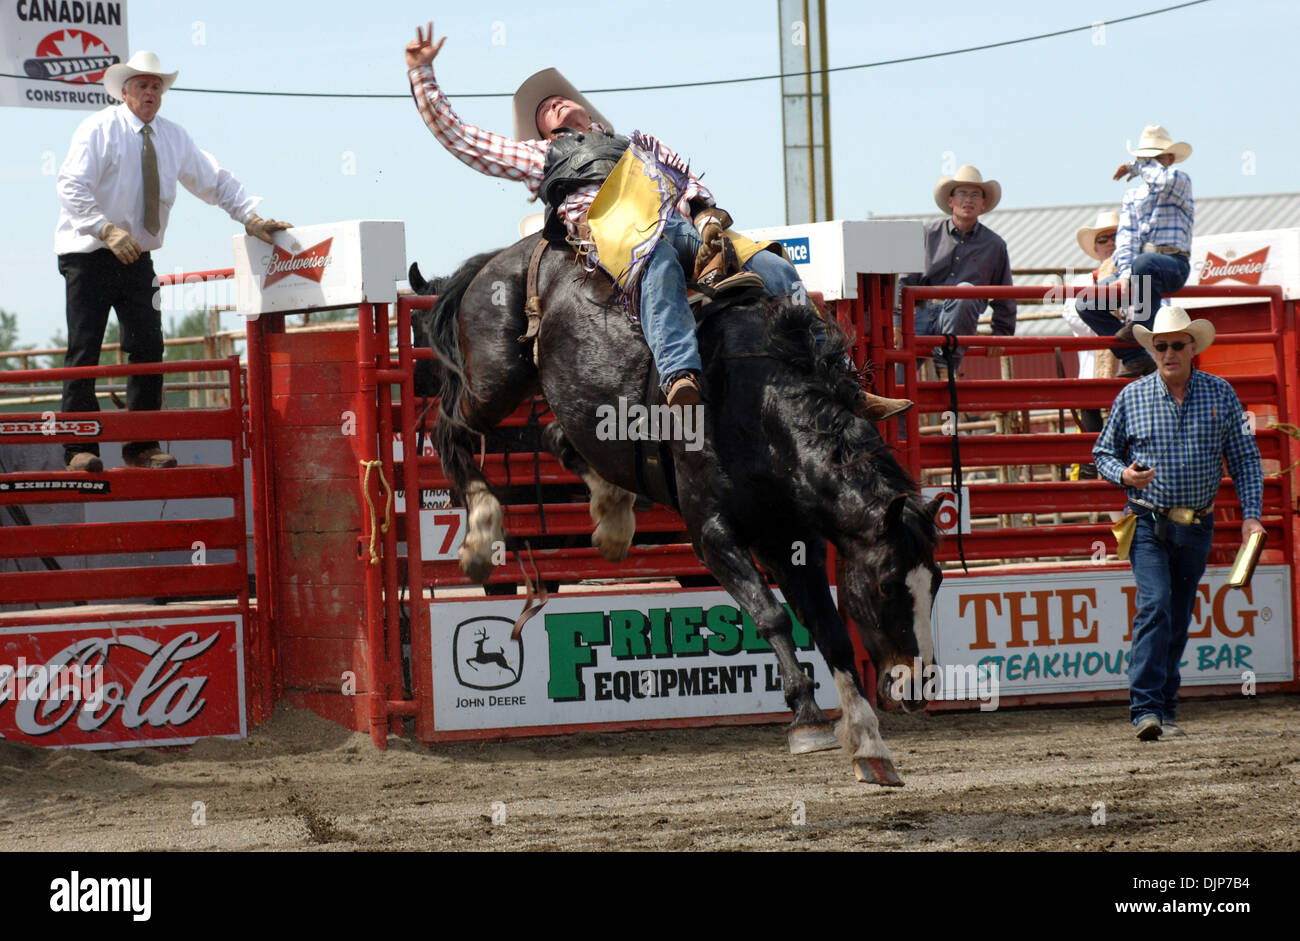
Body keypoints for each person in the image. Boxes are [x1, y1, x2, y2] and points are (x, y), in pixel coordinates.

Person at [403, 22, 911, 418]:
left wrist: (709, 216)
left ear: (584, 110)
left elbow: (690, 185)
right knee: (658, 262)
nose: (553, 102)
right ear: (541, 133)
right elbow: (464, 140)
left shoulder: (639, 144)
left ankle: (842, 383)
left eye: (559, 97)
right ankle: (679, 375)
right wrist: (423, 75)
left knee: (776, 269)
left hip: (681, 224)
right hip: (616, 232)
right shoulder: (541, 157)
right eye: (543, 110)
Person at [55, 51, 291, 472]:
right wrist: (104, 228)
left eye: (156, 86)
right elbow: (71, 184)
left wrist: (249, 216)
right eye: (142, 85)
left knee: (147, 346)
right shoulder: (98, 129)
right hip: (88, 255)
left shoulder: (172, 138)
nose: (150, 92)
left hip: (136, 256)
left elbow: (213, 180)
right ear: (124, 91)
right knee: (84, 348)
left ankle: (141, 445)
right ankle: (78, 450)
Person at [1092, 307, 1263, 741]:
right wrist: (1124, 476)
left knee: (1179, 611)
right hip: (1147, 520)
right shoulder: (1131, 397)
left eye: (1176, 345)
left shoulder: (1221, 394)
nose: (1168, 352)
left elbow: (1245, 459)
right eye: (1160, 346)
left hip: (1196, 525)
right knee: (1157, 604)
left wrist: (1251, 517)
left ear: (1192, 348)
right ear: (1153, 351)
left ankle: (1164, 710)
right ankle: (1146, 709)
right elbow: (1102, 454)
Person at [1074, 125, 1194, 379]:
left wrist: (1136, 166)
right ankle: (1136, 358)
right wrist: (1126, 276)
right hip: (1140, 273)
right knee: (1086, 301)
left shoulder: (1179, 180)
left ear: (1169, 160)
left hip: (1173, 263)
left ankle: (1141, 326)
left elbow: (1163, 181)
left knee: (1144, 262)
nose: (1147, 164)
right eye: (1144, 158)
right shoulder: (1132, 195)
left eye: (1154, 158)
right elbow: (1126, 238)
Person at [901, 165, 1016, 376]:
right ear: (950, 201)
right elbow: (903, 282)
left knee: (965, 291)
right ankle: (936, 377)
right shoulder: (927, 234)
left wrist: (1001, 333)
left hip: (961, 318)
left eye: (975, 195)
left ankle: (947, 365)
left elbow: (1004, 294)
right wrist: (895, 324)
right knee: (895, 375)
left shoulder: (994, 245)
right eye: (962, 193)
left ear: (983, 204)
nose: (968, 200)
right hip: (923, 314)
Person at [1062, 210, 1120, 470]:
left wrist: (1099, 315)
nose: (1110, 242)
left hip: (1129, 376)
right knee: (1092, 451)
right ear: (1095, 247)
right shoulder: (1082, 281)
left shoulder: (1137, 276)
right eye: (1103, 238)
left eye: (1116, 236)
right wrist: (1114, 320)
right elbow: (1072, 315)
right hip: (1094, 375)